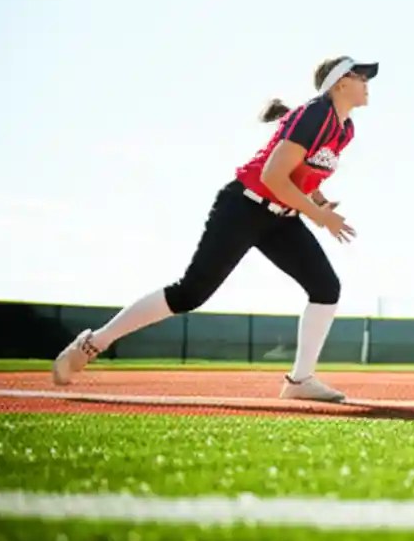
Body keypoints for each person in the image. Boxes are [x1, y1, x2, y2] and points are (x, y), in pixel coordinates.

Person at [51, 56, 378, 402]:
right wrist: (318, 215)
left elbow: (303, 176)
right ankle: (92, 343)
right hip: (243, 207)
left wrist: (321, 205)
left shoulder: (345, 129)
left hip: (281, 216)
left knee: (325, 287)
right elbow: (271, 176)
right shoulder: (315, 114)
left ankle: (299, 382)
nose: (367, 83)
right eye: (361, 76)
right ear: (340, 83)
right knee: (190, 293)